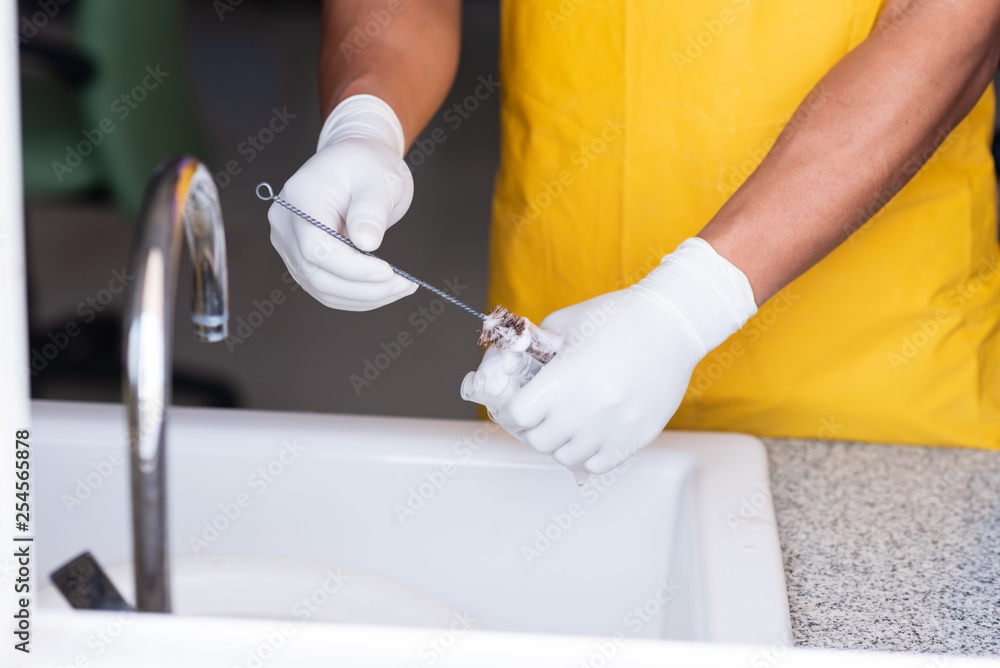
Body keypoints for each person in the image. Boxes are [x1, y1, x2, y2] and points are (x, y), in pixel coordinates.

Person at [268, 1, 1000, 475]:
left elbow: (953, 24)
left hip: (865, 401)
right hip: (560, 371)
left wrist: (689, 306)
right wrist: (366, 121)